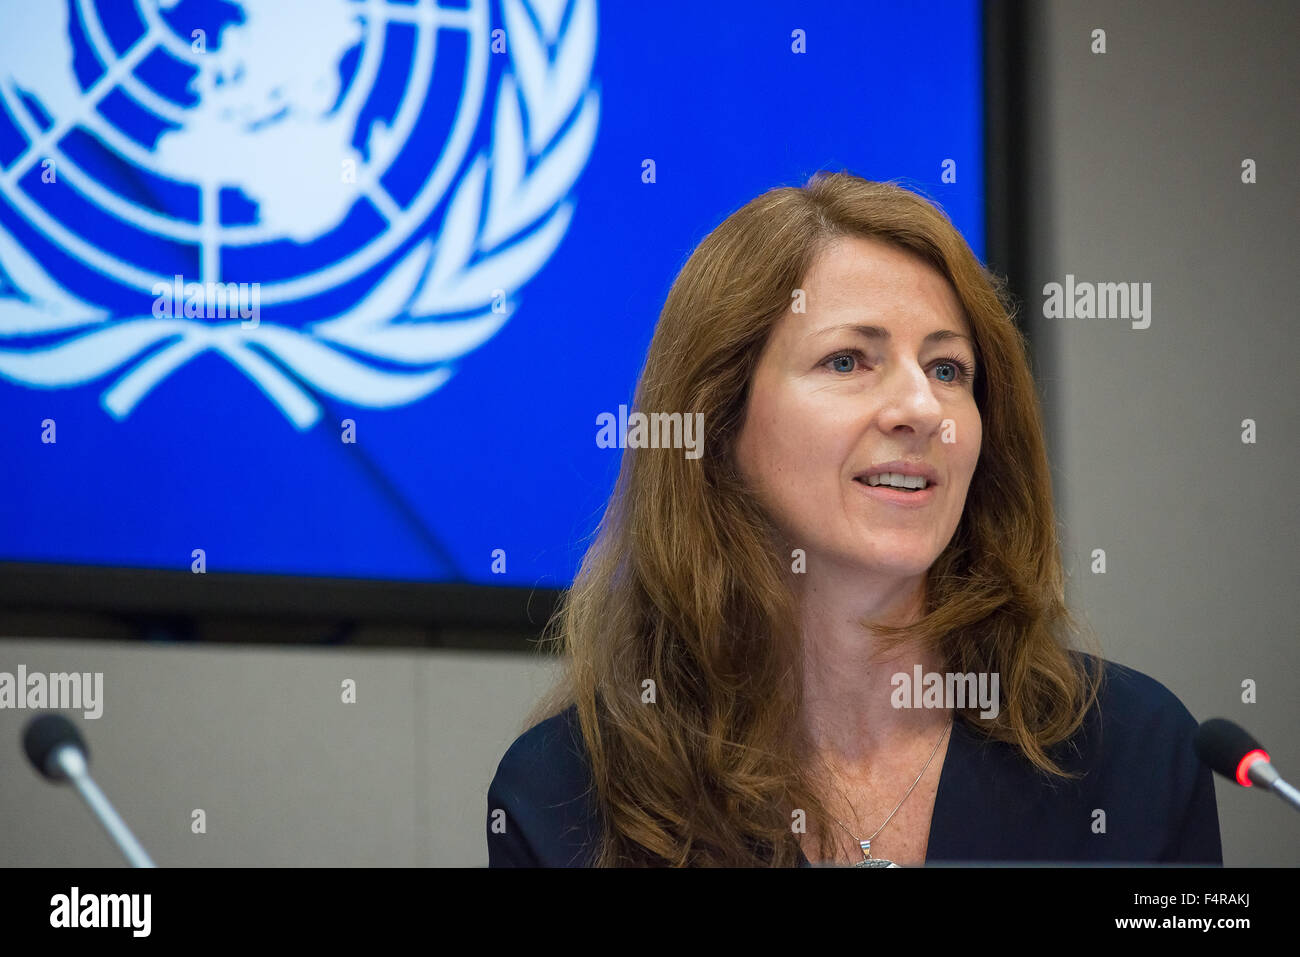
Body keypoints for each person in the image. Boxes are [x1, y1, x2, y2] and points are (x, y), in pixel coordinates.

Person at [486, 172, 1222, 867]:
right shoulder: (568, 796)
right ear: (717, 423)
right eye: (848, 361)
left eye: (947, 370)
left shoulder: (1134, 752)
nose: (921, 410)